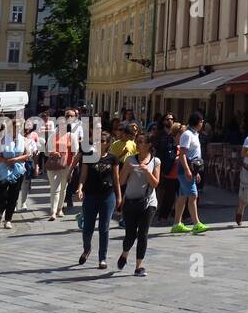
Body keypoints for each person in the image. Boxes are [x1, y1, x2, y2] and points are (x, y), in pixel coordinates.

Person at [117, 133, 161, 276]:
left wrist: (147, 171)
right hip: (130, 201)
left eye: (141, 142)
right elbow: (121, 182)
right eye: (137, 141)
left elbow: (155, 184)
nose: (138, 144)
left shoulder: (156, 161)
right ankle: (125, 253)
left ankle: (139, 266)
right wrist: (127, 169)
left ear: (148, 145)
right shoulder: (130, 159)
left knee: (143, 233)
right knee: (130, 234)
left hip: (149, 202)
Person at [75, 131, 120, 267]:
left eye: (101, 141)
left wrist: (119, 196)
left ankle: (102, 258)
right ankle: (87, 249)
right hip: (91, 195)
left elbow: (116, 179)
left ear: (107, 144)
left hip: (108, 196)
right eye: (97, 141)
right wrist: (80, 188)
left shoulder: (113, 158)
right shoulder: (89, 156)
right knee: (88, 227)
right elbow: (83, 175)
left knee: (104, 227)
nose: (98, 143)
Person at [172, 111, 208, 234]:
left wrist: (195, 172)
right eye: (202, 121)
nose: (203, 123)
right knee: (193, 195)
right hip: (185, 169)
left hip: (192, 169)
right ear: (198, 122)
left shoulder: (194, 134)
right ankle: (196, 223)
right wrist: (187, 170)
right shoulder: (187, 134)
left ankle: (177, 224)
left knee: (183, 197)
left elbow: (194, 154)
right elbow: (182, 154)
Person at [45, 109, 79, 221]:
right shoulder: (53, 136)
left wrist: (72, 169)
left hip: (67, 165)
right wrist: (52, 152)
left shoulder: (72, 136)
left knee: (63, 188)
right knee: (55, 188)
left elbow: (75, 153)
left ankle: (60, 209)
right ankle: (53, 212)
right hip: (54, 165)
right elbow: (47, 151)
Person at [0, 120, 31, 229]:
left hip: (18, 170)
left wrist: (15, 159)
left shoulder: (24, 140)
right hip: (2, 170)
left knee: (14, 195)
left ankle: (8, 219)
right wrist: (7, 161)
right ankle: (1, 210)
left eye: (19, 127)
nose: (17, 129)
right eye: (15, 127)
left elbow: (28, 155)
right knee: (1, 195)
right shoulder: (1, 139)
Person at [154, 117, 178, 223]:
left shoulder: (179, 142)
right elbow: (164, 153)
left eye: (171, 119)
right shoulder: (164, 137)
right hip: (167, 168)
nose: (169, 121)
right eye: (167, 119)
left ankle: (180, 215)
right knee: (166, 192)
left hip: (177, 172)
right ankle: (162, 212)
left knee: (180, 194)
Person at [16, 119, 41, 215]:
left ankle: (23, 203)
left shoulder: (31, 141)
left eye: (26, 130)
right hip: (17, 162)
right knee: (16, 184)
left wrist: (36, 166)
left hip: (28, 162)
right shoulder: (15, 141)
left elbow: (35, 154)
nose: (25, 132)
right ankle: (14, 204)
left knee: (25, 184)